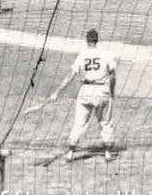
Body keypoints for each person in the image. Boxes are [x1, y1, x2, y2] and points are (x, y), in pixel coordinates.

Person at [45, 29, 118, 163]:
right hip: (102, 90)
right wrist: (112, 92)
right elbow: (112, 76)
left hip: (85, 90)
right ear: (97, 40)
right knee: (105, 121)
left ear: (87, 40)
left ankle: (71, 152)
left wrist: (57, 92)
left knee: (79, 123)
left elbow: (71, 76)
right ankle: (107, 153)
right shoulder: (106, 54)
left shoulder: (82, 55)